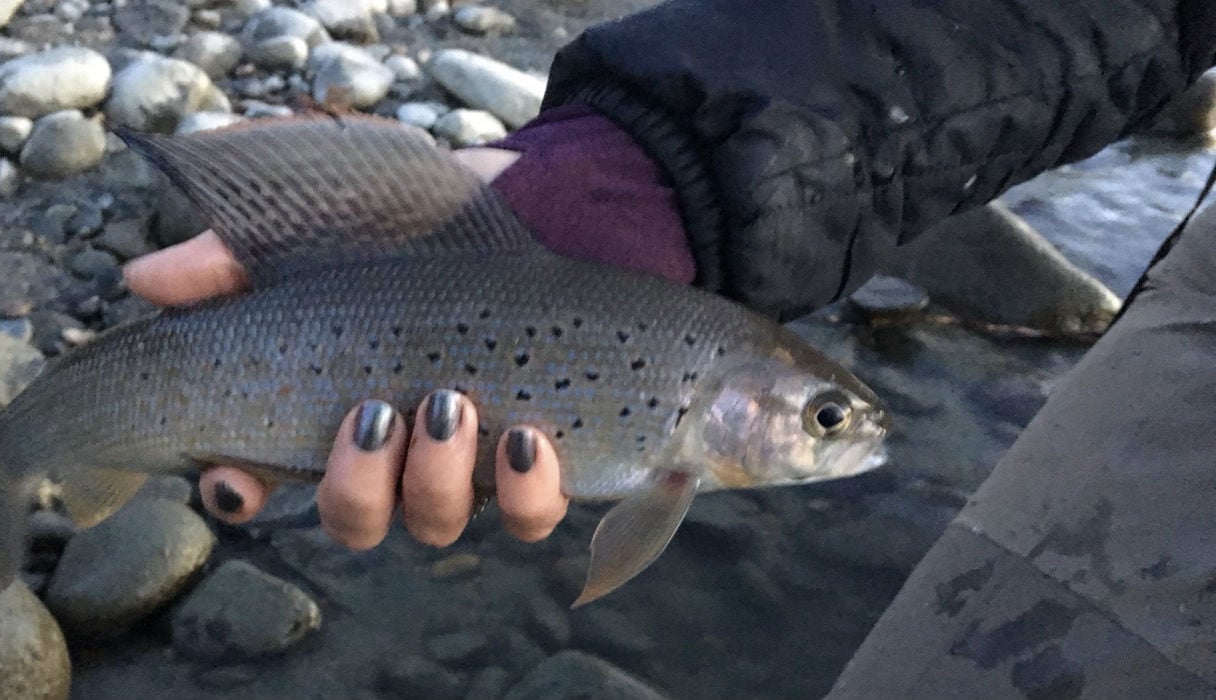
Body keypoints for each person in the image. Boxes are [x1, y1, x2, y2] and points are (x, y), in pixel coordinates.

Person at [125, 0, 1216, 695]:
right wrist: (652, 172)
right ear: (731, 401)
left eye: (829, 417)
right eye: (825, 418)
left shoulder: (704, 403)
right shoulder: (674, 447)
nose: (842, 431)